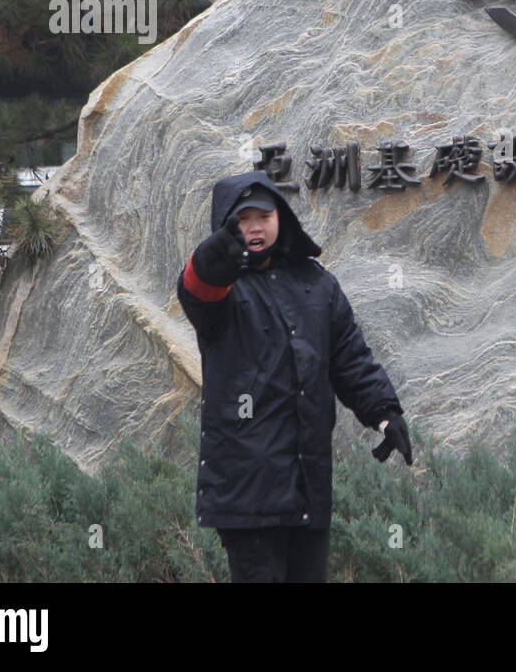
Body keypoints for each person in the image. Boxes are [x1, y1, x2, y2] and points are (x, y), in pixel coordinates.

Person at [176, 170, 412, 582]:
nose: (254, 226)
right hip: (246, 493)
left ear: (280, 217)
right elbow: (197, 289)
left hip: (307, 483)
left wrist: (384, 413)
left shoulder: (318, 285)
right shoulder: (223, 293)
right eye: (242, 219)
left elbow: (350, 358)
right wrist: (212, 261)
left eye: (263, 216)